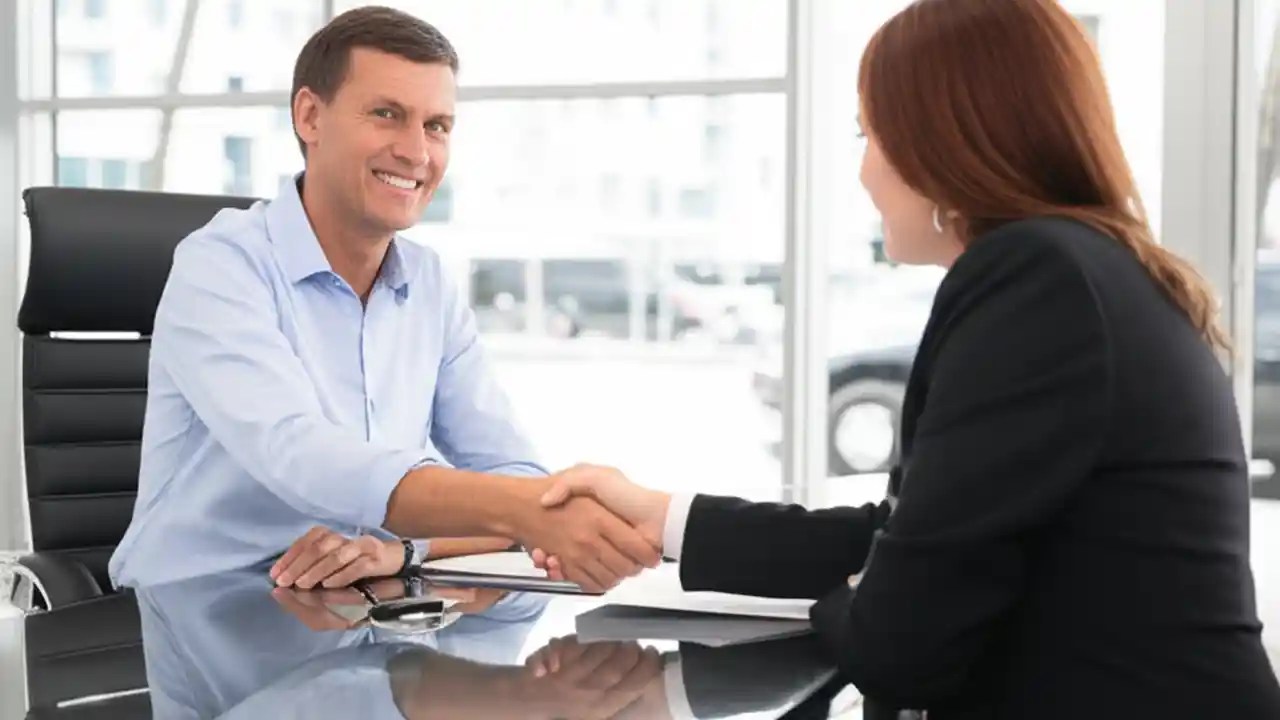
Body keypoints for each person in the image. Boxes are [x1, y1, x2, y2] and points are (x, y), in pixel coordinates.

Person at [534, 0, 1280, 717]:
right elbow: (906, 534)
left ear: (943, 138)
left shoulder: (1036, 279)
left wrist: (873, 590)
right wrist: (665, 518)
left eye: (868, 134)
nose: (863, 172)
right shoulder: (1087, 269)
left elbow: (898, 641)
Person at [108, 6, 659, 594]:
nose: (416, 152)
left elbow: (515, 475)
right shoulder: (221, 264)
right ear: (310, 116)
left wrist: (403, 549)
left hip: (349, 620)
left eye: (437, 126)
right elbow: (301, 456)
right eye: (387, 115)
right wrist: (531, 509)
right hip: (194, 615)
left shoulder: (429, 284)